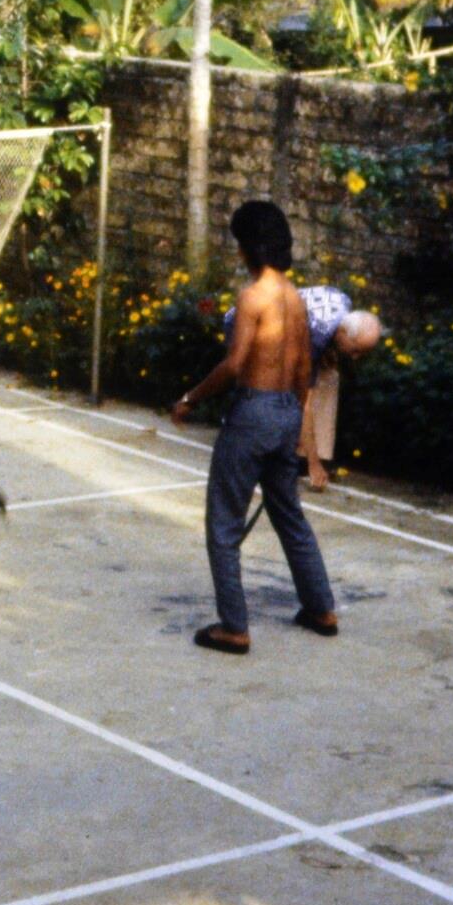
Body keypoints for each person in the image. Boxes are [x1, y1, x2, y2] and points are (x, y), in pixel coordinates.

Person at [170, 201, 339, 654]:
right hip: (286, 411)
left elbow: (234, 364)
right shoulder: (297, 301)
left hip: (253, 414)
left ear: (248, 248)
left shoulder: (252, 297)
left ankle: (234, 626)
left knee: (224, 521)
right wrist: (301, 437)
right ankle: (321, 607)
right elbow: (306, 372)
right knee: (289, 515)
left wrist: (190, 397)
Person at [296, 284, 386, 491]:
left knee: (330, 374)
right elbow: (305, 406)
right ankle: (304, 457)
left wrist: (329, 348)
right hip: (259, 334)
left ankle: (316, 452)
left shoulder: (344, 303)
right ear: (344, 332)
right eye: (355, 350)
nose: (355, 357)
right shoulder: (316, 340)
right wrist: (313, 464)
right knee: (295, 395)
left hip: (298, 330)